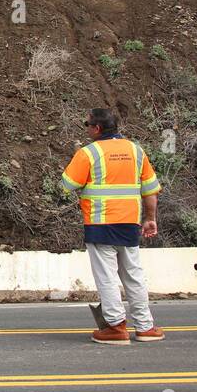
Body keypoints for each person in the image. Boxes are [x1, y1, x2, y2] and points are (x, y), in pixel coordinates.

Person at [61, 108, 165, 344]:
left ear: (96, 128)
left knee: (107, 277)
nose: (86, 128)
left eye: (86, 124)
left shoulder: (89, 152)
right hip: (129, 223)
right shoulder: (135, 150)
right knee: (134, 275)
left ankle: (116, 327)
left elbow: (67, 184)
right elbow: (150, 190)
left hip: (101, 224)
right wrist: (150, 218)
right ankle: (145, 327)